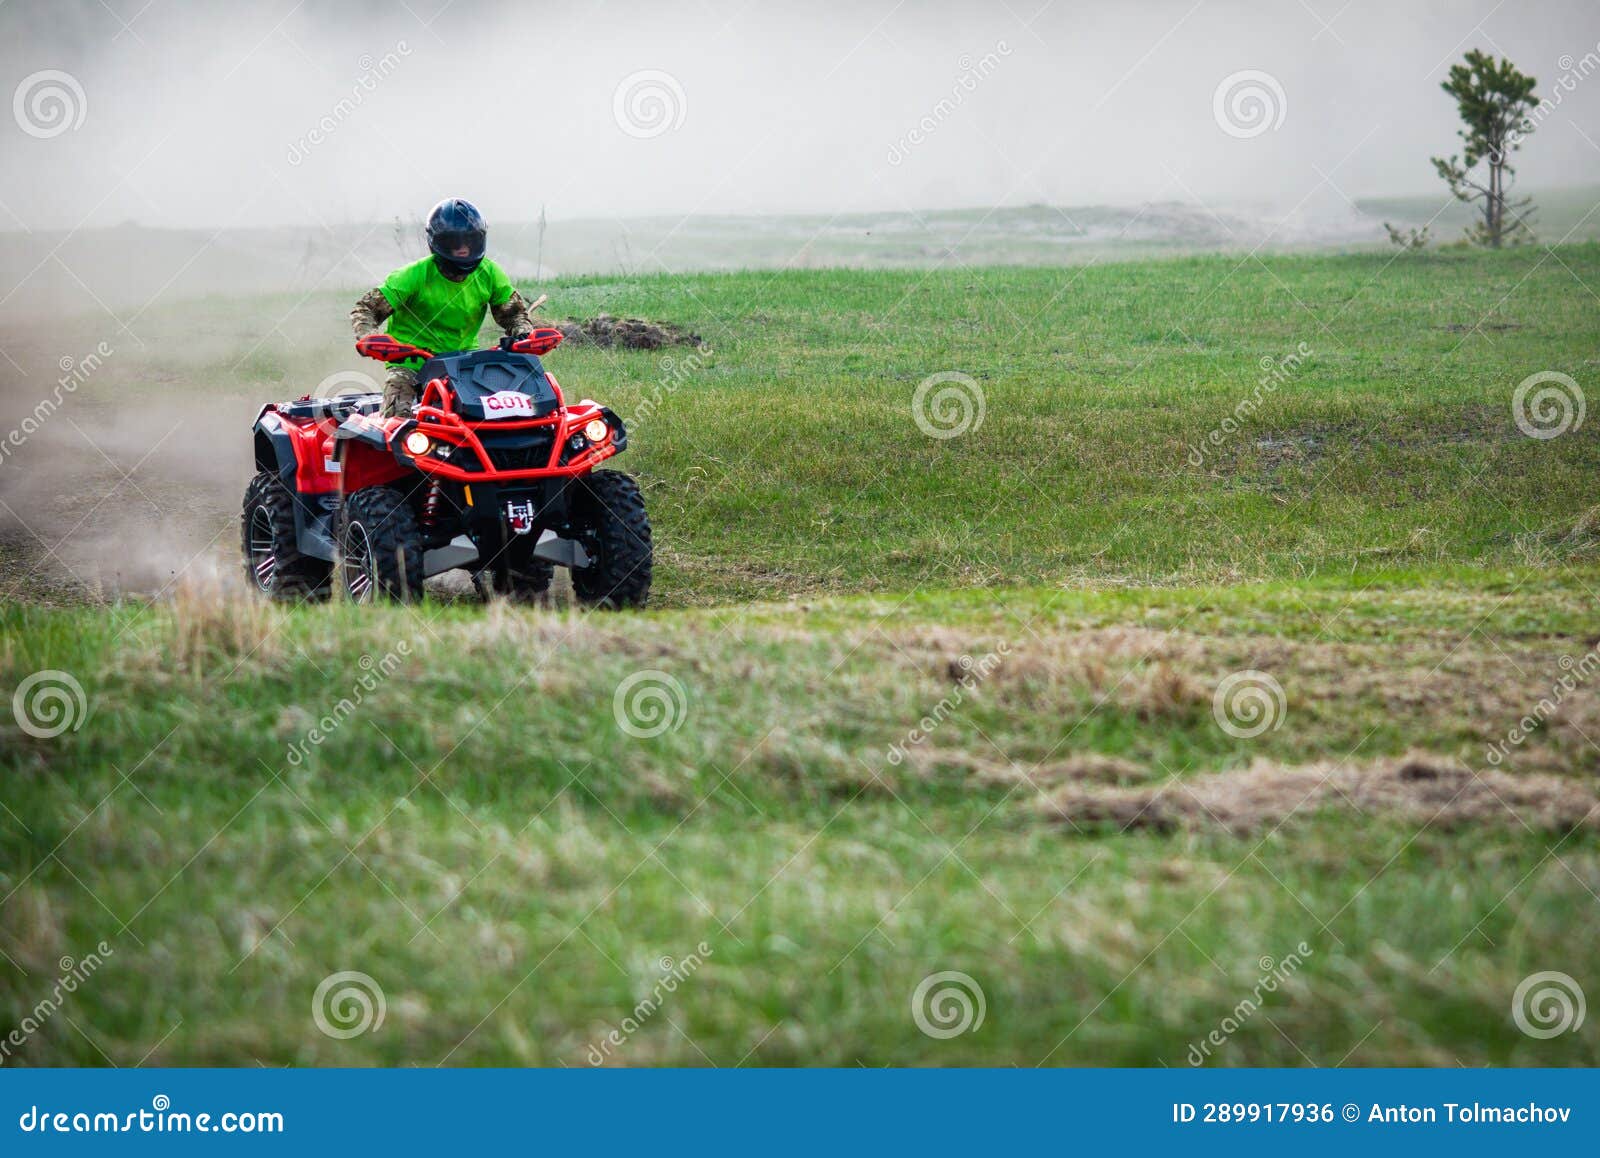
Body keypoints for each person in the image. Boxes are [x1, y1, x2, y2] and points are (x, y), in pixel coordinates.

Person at [351, 198, 539, 416]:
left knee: (505, 413)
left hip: (466, 364)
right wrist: (369, 337)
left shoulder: (490, 273)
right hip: (411, 363)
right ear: (437, 242)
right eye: (455, 242)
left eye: (469, 241)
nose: (463, 249)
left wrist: (523, 333)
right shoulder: (412, 276)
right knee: (397, 420)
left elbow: (514, 315)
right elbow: (365, 309)